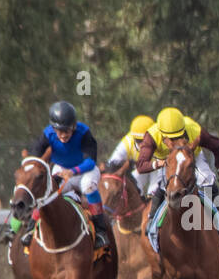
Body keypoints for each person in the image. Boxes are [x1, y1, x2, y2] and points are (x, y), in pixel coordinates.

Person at [21, 100, 112, 250]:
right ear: (53, 127)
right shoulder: (47, 134)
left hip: (84, 171)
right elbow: (34, 158)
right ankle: (31, 228)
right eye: (59, 131)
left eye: (67, 131)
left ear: (74, 126)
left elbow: (90, 161)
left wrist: (73, 171)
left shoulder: (83, 132)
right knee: (47, 193)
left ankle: (101, 230)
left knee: (88, 186)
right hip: (62, 171)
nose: (63, 135)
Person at [136, 106, 219, 247]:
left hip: (191, 156)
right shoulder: (151, 136)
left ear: (184, 129)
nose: (176, 142)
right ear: (161, 133)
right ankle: (152, 222)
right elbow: (141, 165)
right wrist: (159, 164)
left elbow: (217, 146)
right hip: (166, 160)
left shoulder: (194, 129)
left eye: (178, 137)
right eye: (171, 139)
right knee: (164, 184)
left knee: (207, 178)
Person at [103, 114, 161, 200]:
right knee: (133, 187)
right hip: (139, 168)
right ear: (133, 137)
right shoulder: (127, 142)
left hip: (157, 168)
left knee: (154, 192)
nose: (142, 145)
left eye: (145, 141)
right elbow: (112, 163)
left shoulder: (161, 141)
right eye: (138, 141)